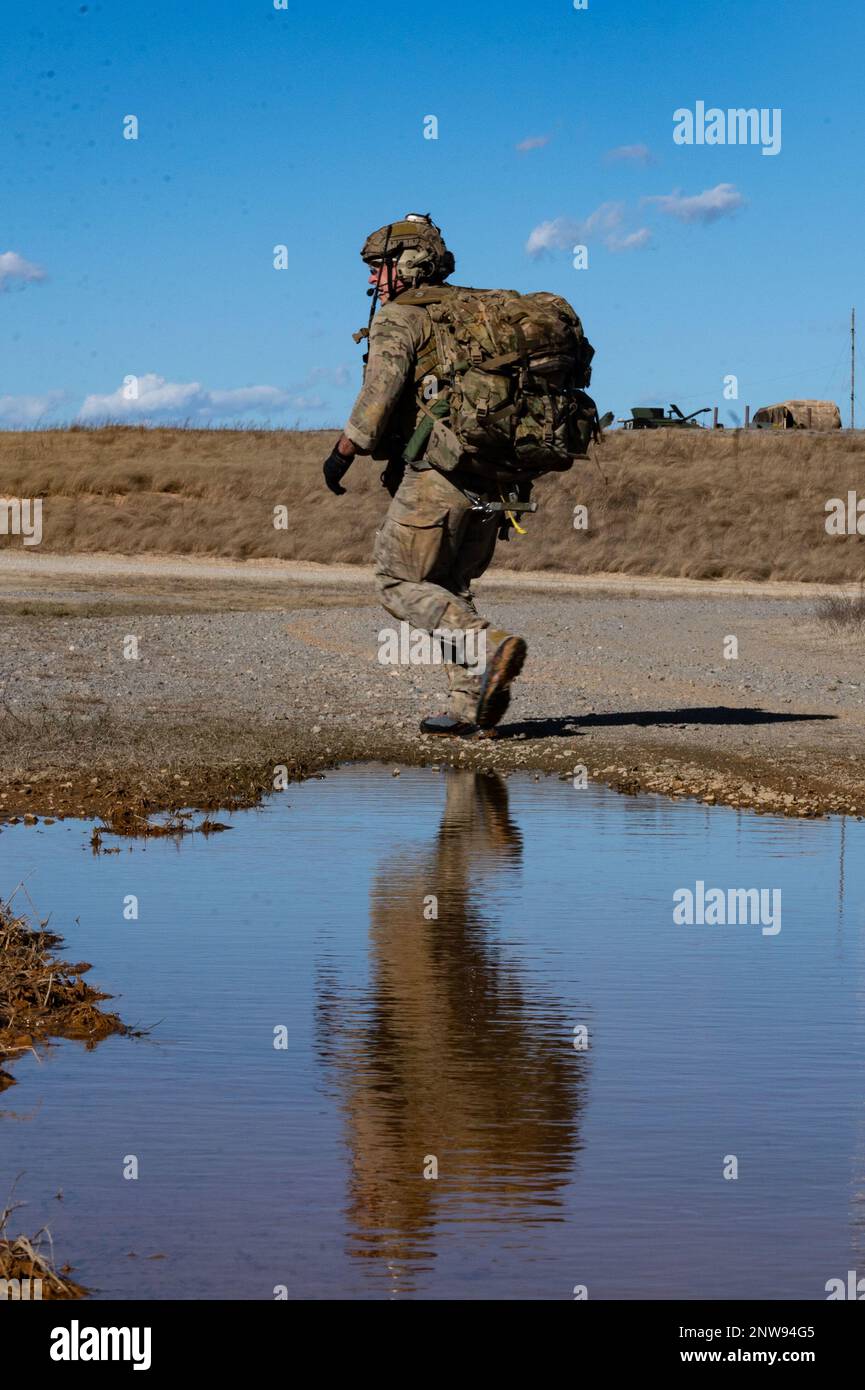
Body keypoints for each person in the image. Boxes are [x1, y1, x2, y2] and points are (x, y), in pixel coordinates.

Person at [322, 213, 530, 737]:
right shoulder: (478, 310)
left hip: (440, 471)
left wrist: (343, 451)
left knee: (398, 580)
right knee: (448, 584)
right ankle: (471, 706)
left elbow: (381, 394)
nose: (373, 280)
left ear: (409, 263)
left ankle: (490, 645)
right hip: (497, 478)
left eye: (378, 267)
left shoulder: (400, 316)